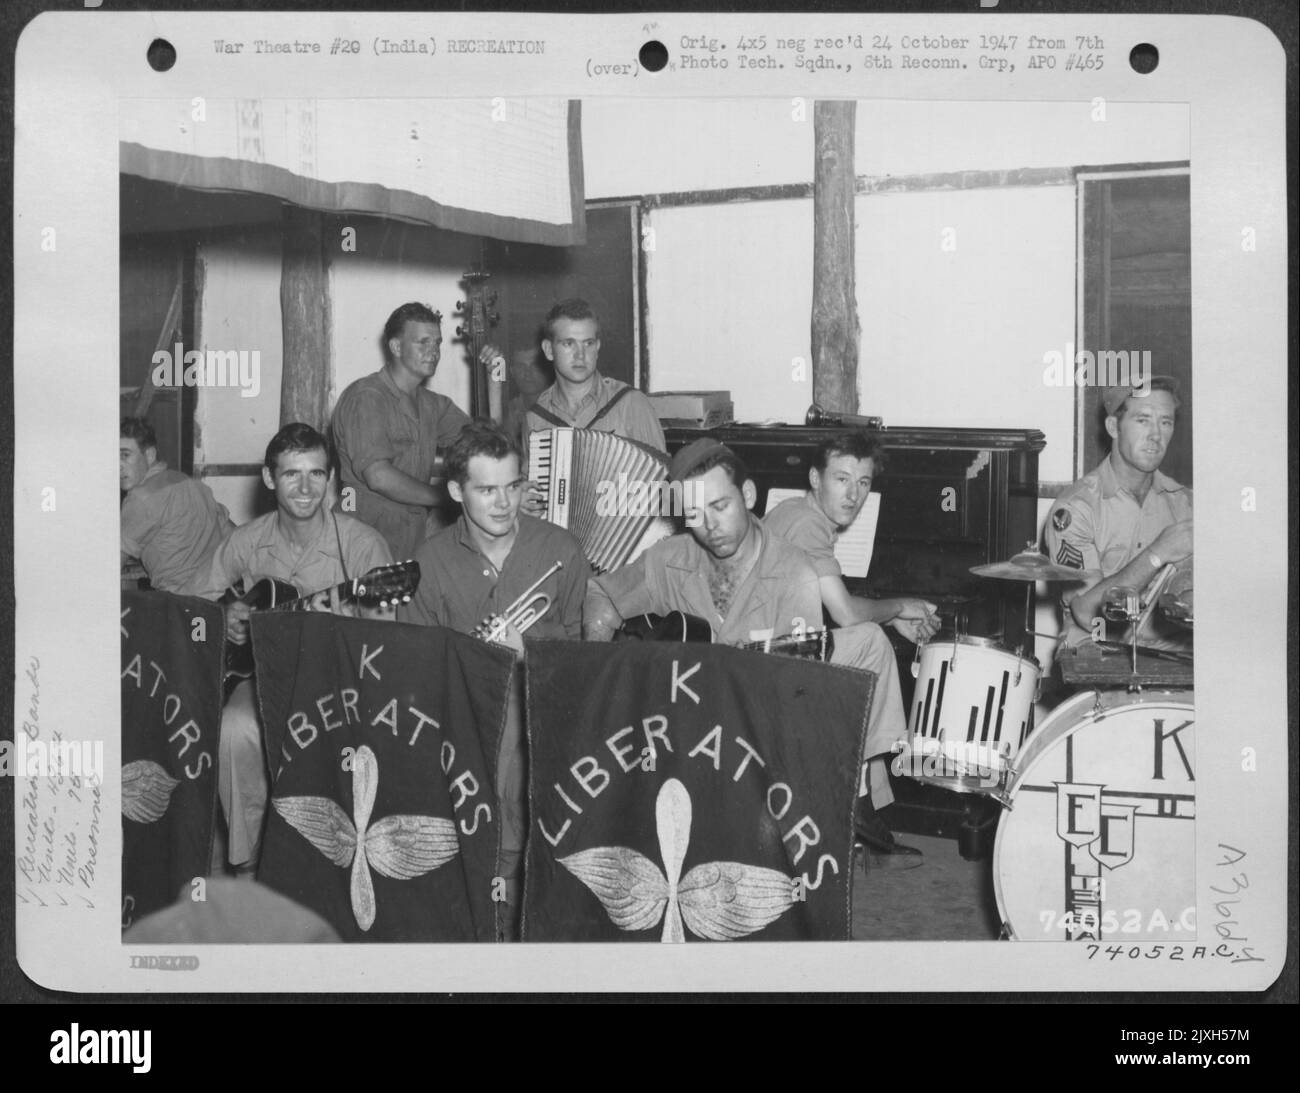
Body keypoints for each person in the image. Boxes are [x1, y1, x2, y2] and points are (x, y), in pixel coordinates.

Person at [585, 439, 911, 862]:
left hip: (748, 748)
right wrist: (601, 675)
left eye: (720, 505)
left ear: (749, 496)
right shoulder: (669, 558)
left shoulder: (793, 573)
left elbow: (792, 702)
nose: (708, 525)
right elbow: (602, 597)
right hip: (673, 733)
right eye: (694, 513)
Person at [400, 422, 591, 939]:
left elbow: (584, 664)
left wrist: (527, 654)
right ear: (457, 491)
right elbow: (416, 671)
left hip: (545, 715)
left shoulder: (562, 550)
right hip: (461, 722)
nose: (505, 503)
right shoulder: (429, 561)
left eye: (514, 486)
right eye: (487, 490)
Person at [201, 423, 393, 872]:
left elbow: (387, 640)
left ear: (331, 479)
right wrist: (224, 616)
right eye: (291, 474)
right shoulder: (247, 541)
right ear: (269, 479)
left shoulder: (364, 546)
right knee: (233, 729)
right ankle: (248, 860)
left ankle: (335, 858)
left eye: (316, 474)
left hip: (340, 684)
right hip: (266, 680)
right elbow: (197, 607)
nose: (306, 488)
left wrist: (346, 630)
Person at [763, 432, 939, 857]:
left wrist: (892, 616)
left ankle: (865, 807)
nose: (854, 494)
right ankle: (857, 806)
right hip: (765, 662)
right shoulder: (807, 524)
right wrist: (901, 607)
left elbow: (819, 607)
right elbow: (844, 614)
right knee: (871, 642)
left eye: (863, 482)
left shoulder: (795, 512)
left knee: (869, 644)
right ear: (814, 478)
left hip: (774, 648)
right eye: (842, 479)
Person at [1044, 377, 1193, 648]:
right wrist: (1158, 553)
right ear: (1113, 427)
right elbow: (1087, 613)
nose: (1156, 435)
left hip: (1173, 656)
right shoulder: (1076, 509)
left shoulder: (1185, 504)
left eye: (1166, 422)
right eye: (1143, 420)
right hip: (1099, 653)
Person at [332, 302, 473, 560]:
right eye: (423, 342)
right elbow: (379, 477)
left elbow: (483, 443)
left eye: (438, 343)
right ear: (396, 347)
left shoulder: (433, 404)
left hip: (411, 536)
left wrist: (495, 379)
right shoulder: (367, 397)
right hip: (363, 536)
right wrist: (446, 498)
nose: (434, 352)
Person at [482, 297, 666, 454]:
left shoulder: (631, 404)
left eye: (588, 343)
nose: (580, 355)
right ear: (548, 350)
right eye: (568, 344)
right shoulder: (536, 420)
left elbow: (662, 486)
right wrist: (495, 379)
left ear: (598, 348)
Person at [120, 417, 233, 595]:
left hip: (179, 604)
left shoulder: (140, 498)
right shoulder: (189, 482)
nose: (117, 466)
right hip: (220, 597)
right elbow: (234, 535)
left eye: (125, 455)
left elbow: (109, 569)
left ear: (149, 455)